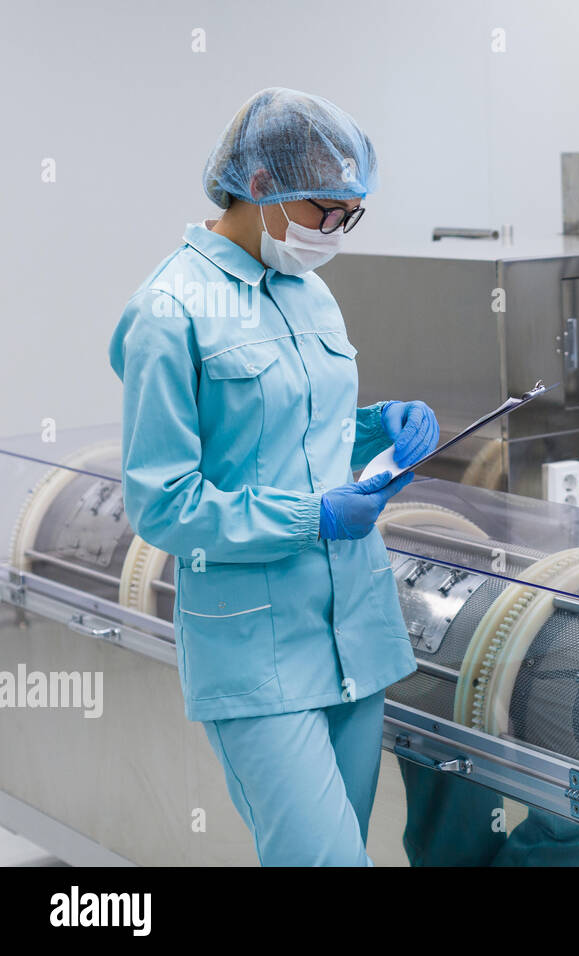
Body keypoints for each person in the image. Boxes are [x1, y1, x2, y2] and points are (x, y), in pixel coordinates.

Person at [108, 88, 438, 866]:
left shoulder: (309, 291)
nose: (338, 232)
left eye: (353, 214)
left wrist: (377, 422)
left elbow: (291, 425)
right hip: (257, 652)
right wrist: (310, 518)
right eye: (329, 210)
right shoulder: (170, 311)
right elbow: (163, 502)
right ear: (260, 186)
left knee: (344, 849)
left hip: (353, 631)